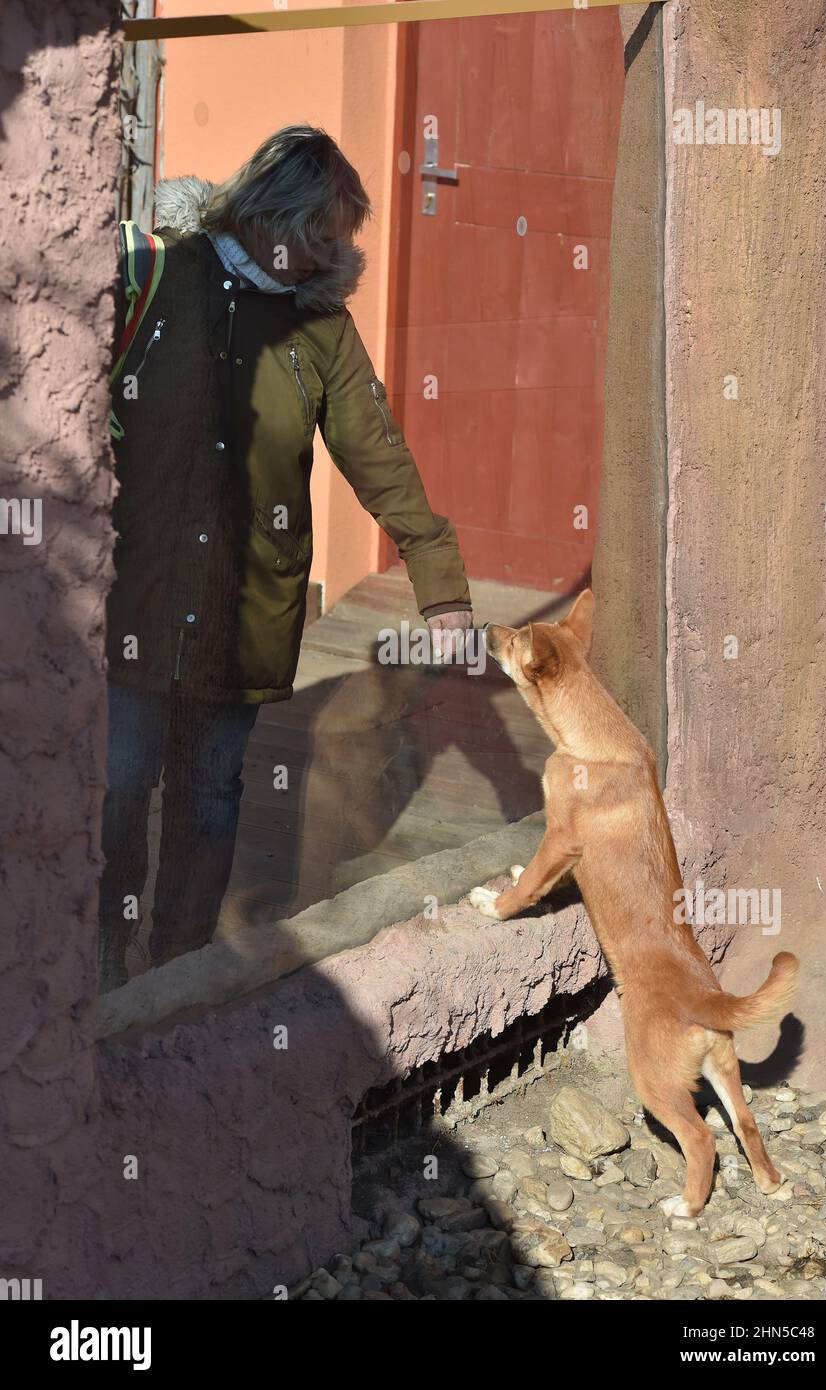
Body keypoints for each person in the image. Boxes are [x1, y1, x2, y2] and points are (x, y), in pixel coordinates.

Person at [100, 125, 473, 991]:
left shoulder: (321, 328)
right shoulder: (160, 279)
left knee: (210, 797)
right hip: (135, 595)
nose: (333, 252)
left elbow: (375, 451)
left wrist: (438, 581)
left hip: (247, 609)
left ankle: (179, 972)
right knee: (117, 787)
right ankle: (100, 963)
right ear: (276, 216)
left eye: (341, 236)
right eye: (323, 232)